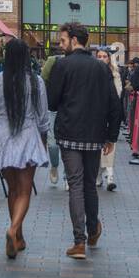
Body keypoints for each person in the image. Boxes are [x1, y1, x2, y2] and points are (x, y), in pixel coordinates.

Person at [46, 22, 122, 260]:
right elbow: (115, 106)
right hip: (95, 135)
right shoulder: (101, 68)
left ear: (75, 40)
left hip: (69, 133)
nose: (61, 44)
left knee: (76, 185)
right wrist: (111, 136)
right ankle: (92, 231)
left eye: (63, 40)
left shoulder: (62, 65)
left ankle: (79, 242)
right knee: (89, 184)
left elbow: (51, 102)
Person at [0, 38, 50, 259]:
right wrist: (44, 138)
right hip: (28, 137)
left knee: (13, 190)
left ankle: (17, 234)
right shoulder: (36, 82)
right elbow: (43, 115)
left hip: (2, 138)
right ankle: (13, 230)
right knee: (25, 191)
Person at [40, 30, 68, 185]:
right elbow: (43, 80)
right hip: (53, 107)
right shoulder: (53, 60)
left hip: (69, 108)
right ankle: (55, 166)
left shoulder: (77, 61)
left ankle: (67, 176)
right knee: (52, 143)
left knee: (68, 143)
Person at [94, 45, 122, 192]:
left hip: (110, 113)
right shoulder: (91, 72)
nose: (102, 59)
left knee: (110, 143)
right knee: (98, 146)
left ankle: (110, 175)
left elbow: (117, 94)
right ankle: (98, 175)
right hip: (95, 114)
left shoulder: (115, 74)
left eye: (104, 56)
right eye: (99, 56)